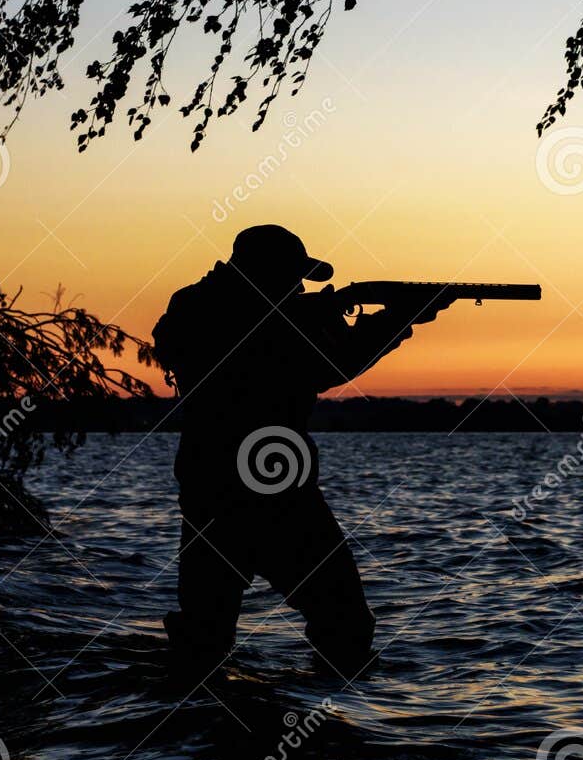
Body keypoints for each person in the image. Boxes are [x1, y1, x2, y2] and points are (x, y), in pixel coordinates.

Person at [150, 225, 445, 675]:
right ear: (266, 273)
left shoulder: (202, 306)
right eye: (291, 277)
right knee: (343, 626)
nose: (298, 288)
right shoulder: (203, 310)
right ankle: (321, 726)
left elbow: (317, 355)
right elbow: (329, 364)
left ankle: (203, 728)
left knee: (205, 640)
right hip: (274, 498)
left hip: (218, 487)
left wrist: (386, 318)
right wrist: (393, 320)